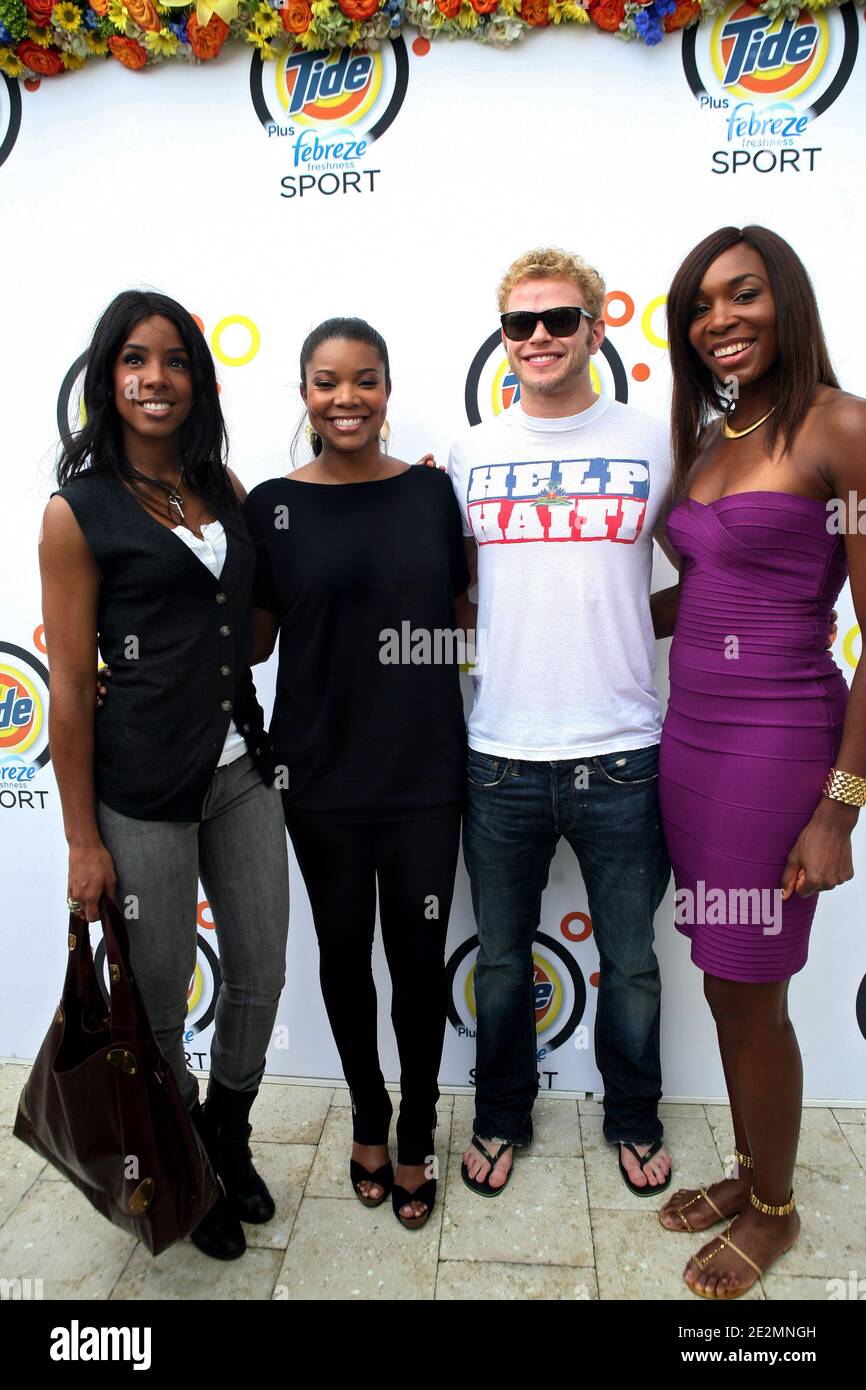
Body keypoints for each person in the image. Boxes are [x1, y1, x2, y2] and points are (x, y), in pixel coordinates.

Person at [40, 290, 290, 1262]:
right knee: (161, 984)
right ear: (108, 378)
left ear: (198, 377)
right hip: (141, 788)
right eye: (135, 360)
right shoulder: (78, 511)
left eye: (176, 359)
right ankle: (180, 1151)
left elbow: (252, 628)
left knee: (261, 970)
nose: (156, 378)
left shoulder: (216, 482)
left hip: (242, 768)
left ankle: (226, 1133)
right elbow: (66, 688)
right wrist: (81, 839)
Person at [654, 225, 864, 1298]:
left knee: (750, 986)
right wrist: (535, 592)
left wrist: (838, 805)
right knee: (722, 979)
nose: (718, 319)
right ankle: (750, 1170)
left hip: (774, 747)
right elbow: (695, 596)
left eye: (740, 295)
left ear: (784, 299)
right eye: (698, 305)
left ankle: (773, 1209)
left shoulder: (840, 428)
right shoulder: (709, 434)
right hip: (687, 743)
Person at [447, 248, 675, 1197]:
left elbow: (700, 575)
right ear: (503, 339)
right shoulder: (470, 452)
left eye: (559, 320)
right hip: (500, 753)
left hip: (624, 751)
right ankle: (501, 1119)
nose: (538, 337)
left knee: (629, 965)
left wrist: (621, 620)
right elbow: (460, 593)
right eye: (520, 324)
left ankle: (635, 1119)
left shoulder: (659, 440)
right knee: (501, 964)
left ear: (596, 328)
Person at [243, 318, 470, 1230]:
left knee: (418, 962)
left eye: (365, 380)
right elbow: (253, 639)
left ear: (387, 387)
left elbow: (459, 617)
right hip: (319, 776)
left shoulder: (429, 492)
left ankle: (416, 1133)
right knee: (344, 959)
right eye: (327, 382)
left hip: (423, 769)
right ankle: (367, 1120)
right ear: (303, 392)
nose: (347, 398)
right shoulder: (270, 506)